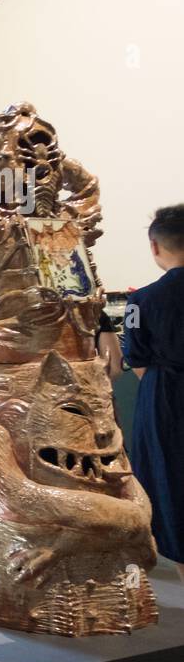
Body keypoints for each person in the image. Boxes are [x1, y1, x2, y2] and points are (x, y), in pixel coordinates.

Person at [121, 204, 184, 581]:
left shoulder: (139, 301)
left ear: (155, 248)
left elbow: (136, 357)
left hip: (165, 398)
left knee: (169, 477)